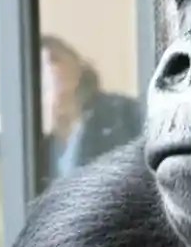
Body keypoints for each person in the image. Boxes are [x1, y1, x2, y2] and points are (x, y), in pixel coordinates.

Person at [37, 35, 141, 192]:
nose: (49, 70)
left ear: (77, 65)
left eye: (54, 59)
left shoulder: (121, 113)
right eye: (39, 66)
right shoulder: (36, 142)